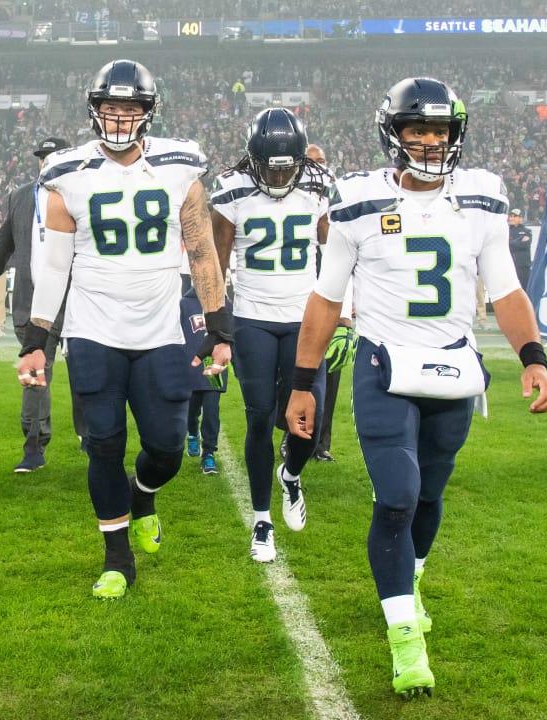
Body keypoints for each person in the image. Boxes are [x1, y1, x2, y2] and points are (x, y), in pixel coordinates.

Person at [286, 77, 547, 698]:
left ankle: (408, 586)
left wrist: (533, 357)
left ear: (455, 136)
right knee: (400, 495)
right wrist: (304, 383)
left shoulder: (482, 198)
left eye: (440, 131)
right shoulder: (355, 202)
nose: (431, 142)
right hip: (386, 367)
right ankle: (406, 637)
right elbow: (326, 300)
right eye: (418, 130)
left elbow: (507, 289)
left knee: (429, 495)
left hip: (454, 368)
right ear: (394, 134)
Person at [17, 59, 232, 599]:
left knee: (163, 448)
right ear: (94, 110)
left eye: (130, 108)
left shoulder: (180, 166)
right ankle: (116, 557)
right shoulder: (66, 172)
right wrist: (35, 343)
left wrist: (219, 328)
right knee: (103, 445)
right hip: (93, 330)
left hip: (160, 329)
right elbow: (55, 265)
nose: (119, 117)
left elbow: (203, 251)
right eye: (111, 107)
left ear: (148, 112)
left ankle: (143, 495)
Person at [210, 107, 331, 563]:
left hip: (305, 318)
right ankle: (262, 520)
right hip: (255, 318)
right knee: (260, 418)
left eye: (288, 166)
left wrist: (343, 310)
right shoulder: (232, 191)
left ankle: (292, 476)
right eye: (271, 165)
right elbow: (216, 263)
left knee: (308, 421)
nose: (280, 175)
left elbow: (332, 250)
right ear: (252, 158)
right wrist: (216, 323)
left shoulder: (317, 188)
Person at [0, 136, 81, 473]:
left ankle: (92, 433)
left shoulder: (83, 195)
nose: (47, 162)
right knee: (37, 373)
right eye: (43, 157)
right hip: (31, 302)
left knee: (91, 372)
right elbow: (3, 242)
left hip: (81, 300)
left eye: (54, 156)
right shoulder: (21, 197)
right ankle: (34, 444)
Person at [306, 143, 347, 463]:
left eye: (323, 160)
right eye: (313, 161)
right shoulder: (292, 199)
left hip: (333, 303)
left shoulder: (341, 204)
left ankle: (321, 443)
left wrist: (346, 314)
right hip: (299, 303)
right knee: (298, 375)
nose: (320, 166)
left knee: (330, 376)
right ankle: (294, 438)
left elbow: (350, 263)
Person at [180, 287, 228, 475]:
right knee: (192, 410)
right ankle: (192, 432)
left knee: (211, 411)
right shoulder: (184, 304)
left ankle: (208, 453)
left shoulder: (222, 303)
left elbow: (231, 331)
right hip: (192, 366)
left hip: (214, 366)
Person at [507, 208, 532, 292]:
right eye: (511, 216)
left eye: (515, 216)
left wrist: (511, 242)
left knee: (525, 290)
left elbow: (525, 245)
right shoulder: (506, 230)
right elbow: (505, 245)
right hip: (509, 266)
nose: (511, 218)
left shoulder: (527, 231)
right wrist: (519, 240)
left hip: (523, 266)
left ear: (521, 218)